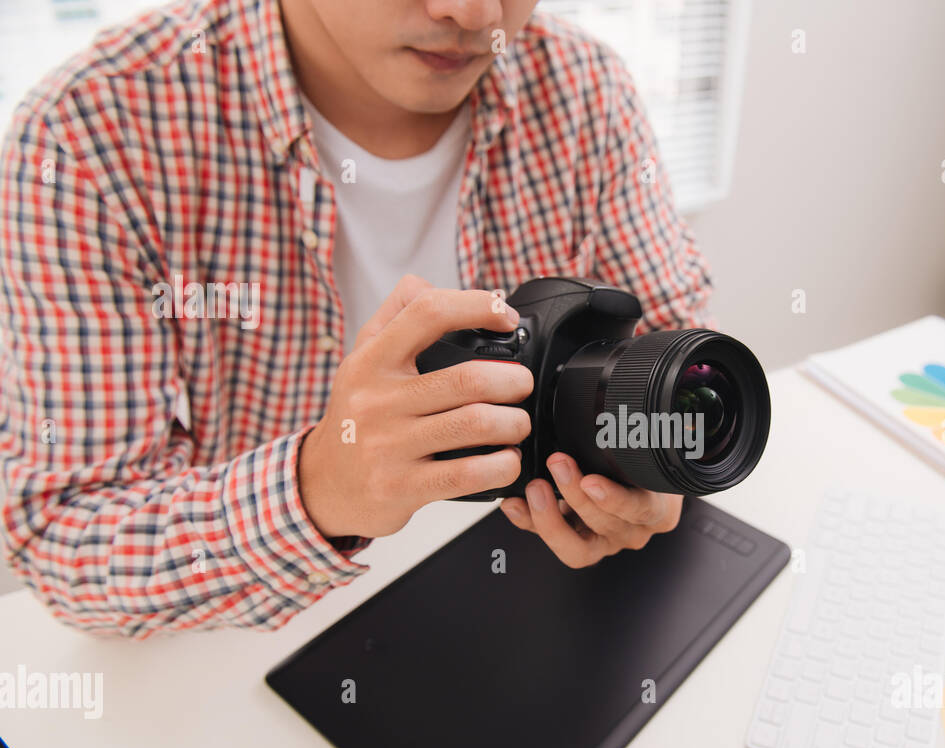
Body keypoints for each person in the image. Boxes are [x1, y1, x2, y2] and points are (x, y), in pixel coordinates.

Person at [0, 0, 712, 639]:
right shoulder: (89, 137)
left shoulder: (583, 86)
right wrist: (318, 490)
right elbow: (66, 537)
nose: (470, 13)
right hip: (245, 637)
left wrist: (653, 475)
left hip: (535, 612)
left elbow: (678, 357)